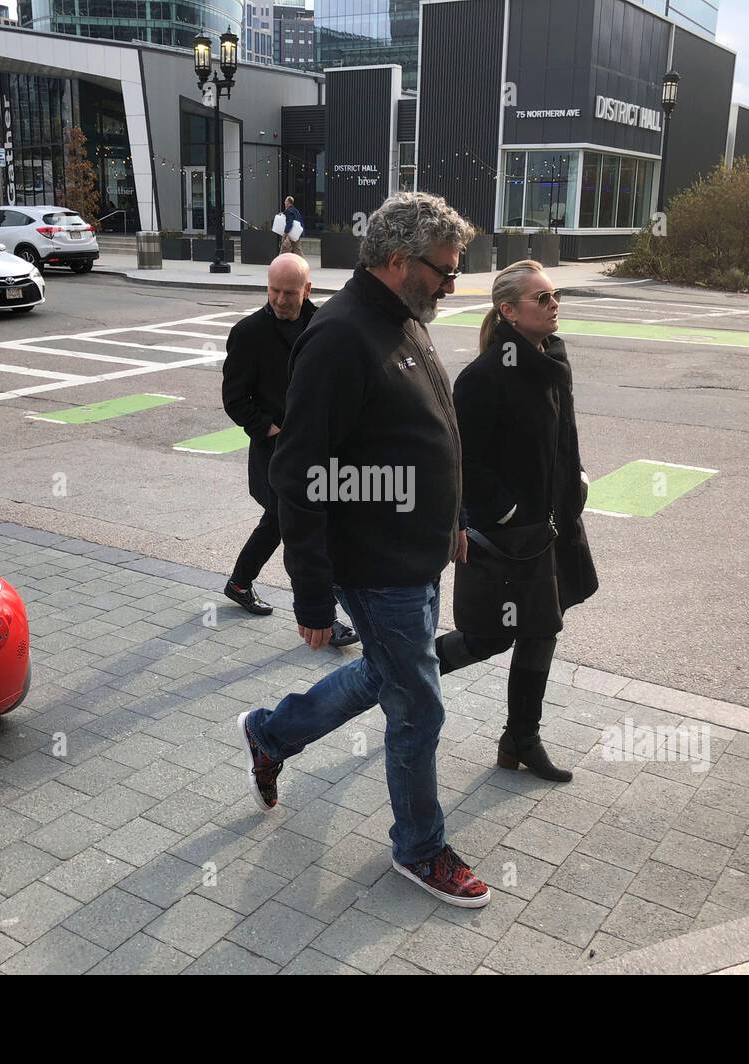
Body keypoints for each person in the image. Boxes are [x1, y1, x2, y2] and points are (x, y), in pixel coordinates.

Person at [233, 192, 492, 908]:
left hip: (416, 556)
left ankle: (271, 733)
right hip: (376, 571)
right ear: (399, 260)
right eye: (443, 270)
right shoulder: (342, 336)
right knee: (420, 707)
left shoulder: (404, 321)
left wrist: (452, 520)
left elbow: (432, 432)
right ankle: (420, 848)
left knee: (387, 680)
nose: (451, 284)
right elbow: (298, 471)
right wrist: (312, 594)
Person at [436, 260, 599, 782]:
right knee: (488, 636)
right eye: (542, 299)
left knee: (544, 626)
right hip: (511, 536)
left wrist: (573, 480)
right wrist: (508, 511)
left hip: (554, 522)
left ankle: (520, 739)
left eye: (555, 296)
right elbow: (465, 461)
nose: (554, 306)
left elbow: (561, 432)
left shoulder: (551, 358)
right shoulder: (485, 376)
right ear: (508, 310)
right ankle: (401, 675)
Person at [221, 253, 357, 647]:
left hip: (321, 450)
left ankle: (238, 582)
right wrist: (271, 428)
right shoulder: (249, 332)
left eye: (289, 292)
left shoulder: (326, 325)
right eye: (274, 291)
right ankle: (324, 620)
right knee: (304, 532)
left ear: (308, 290)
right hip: (277, 455)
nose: (280, 300)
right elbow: (235, 398)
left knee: (280, 524)